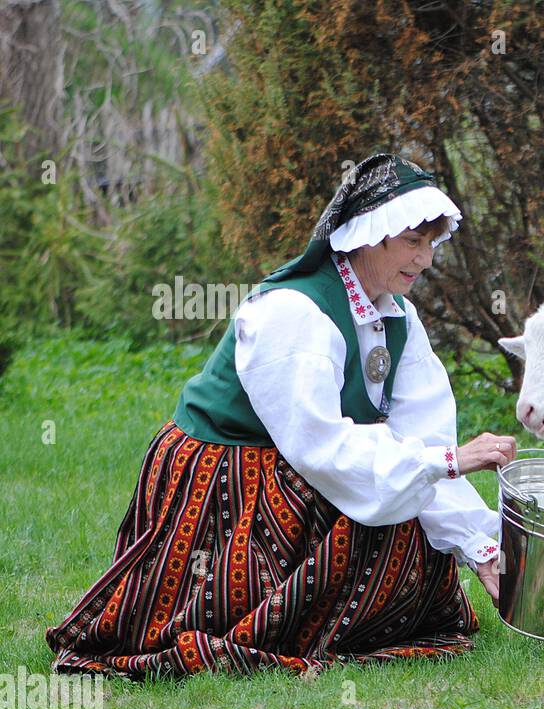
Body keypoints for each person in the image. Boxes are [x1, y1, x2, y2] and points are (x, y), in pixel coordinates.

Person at [46, 153, 517, 678]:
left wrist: (482, 547)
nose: (426, 260)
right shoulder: (294, 313)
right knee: (373, 503)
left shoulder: (398, 316)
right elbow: (319, 449)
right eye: (413, 242)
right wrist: (446, 460)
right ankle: (257, 610)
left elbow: (423, 440)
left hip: (296, 463)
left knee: (405, 503)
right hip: (222, 474)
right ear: (367, 235)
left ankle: (343, 619)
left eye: (431, 244)